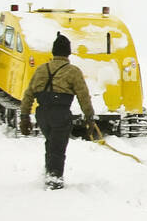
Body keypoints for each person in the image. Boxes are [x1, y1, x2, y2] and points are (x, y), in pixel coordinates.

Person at [19, 33, 97, 190]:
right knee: (58, 147)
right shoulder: (73, 71)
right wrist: (89, 118)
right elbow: (83, 96)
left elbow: (28, 94)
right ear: (68, 52)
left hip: (42, 114)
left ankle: (49, 173)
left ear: (53, 52)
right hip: (60, 112)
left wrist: (24, 117)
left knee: (51, 143)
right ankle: (54, 179)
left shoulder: (41, 69)